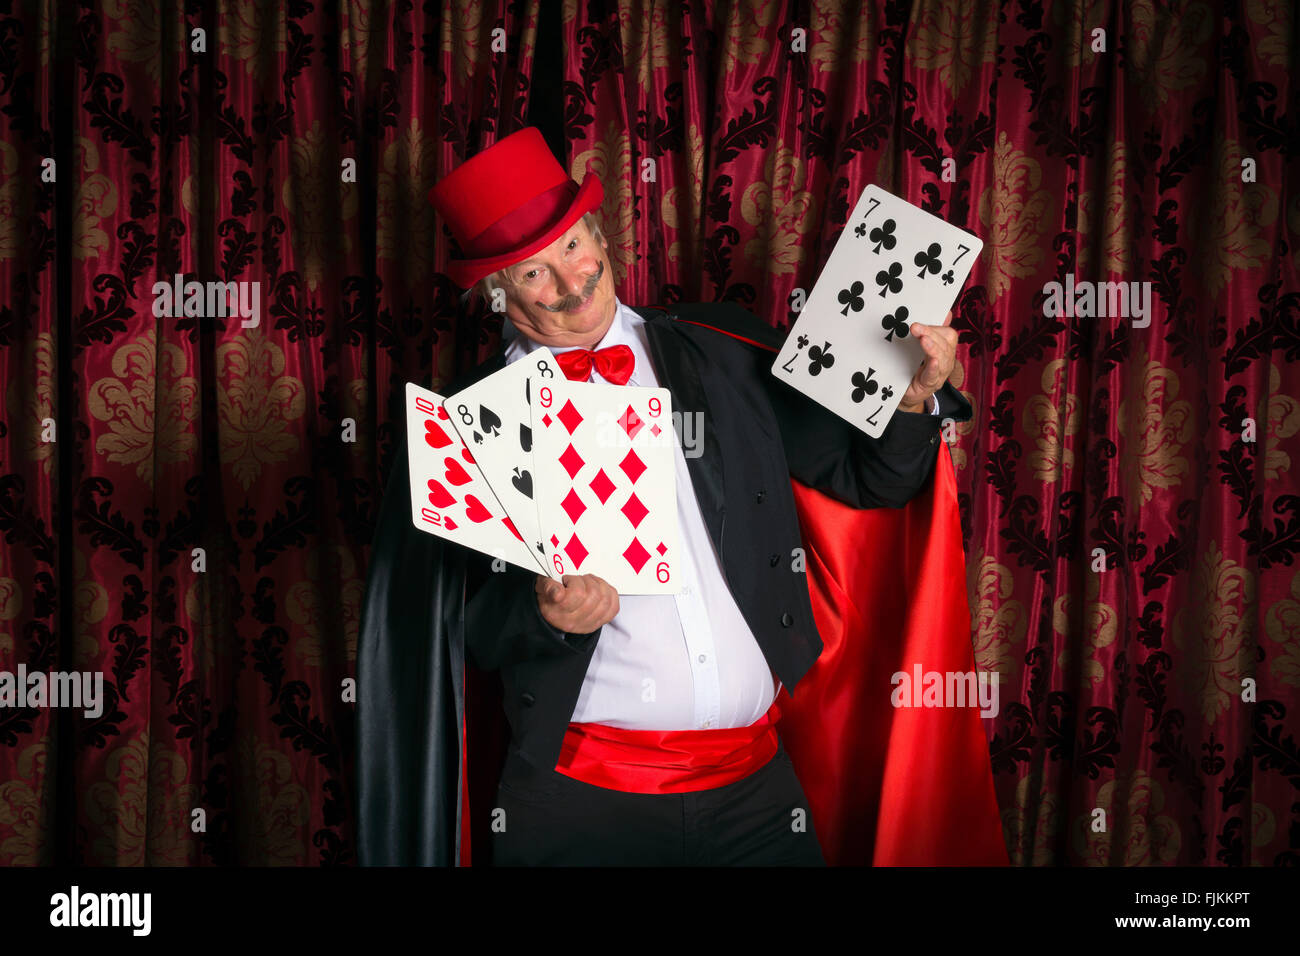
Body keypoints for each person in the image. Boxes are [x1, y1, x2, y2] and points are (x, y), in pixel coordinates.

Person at [357, 126, 973, 866]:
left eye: (575, 247)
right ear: (497, 295)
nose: (571, 282)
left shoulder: (726, 351)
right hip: (577, 811)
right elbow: (464, 636)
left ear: (601, 237)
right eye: (532, 274)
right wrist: (545, 614)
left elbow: (871, 481)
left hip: (757, 795)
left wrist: (910, 405)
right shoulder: (466, 422)